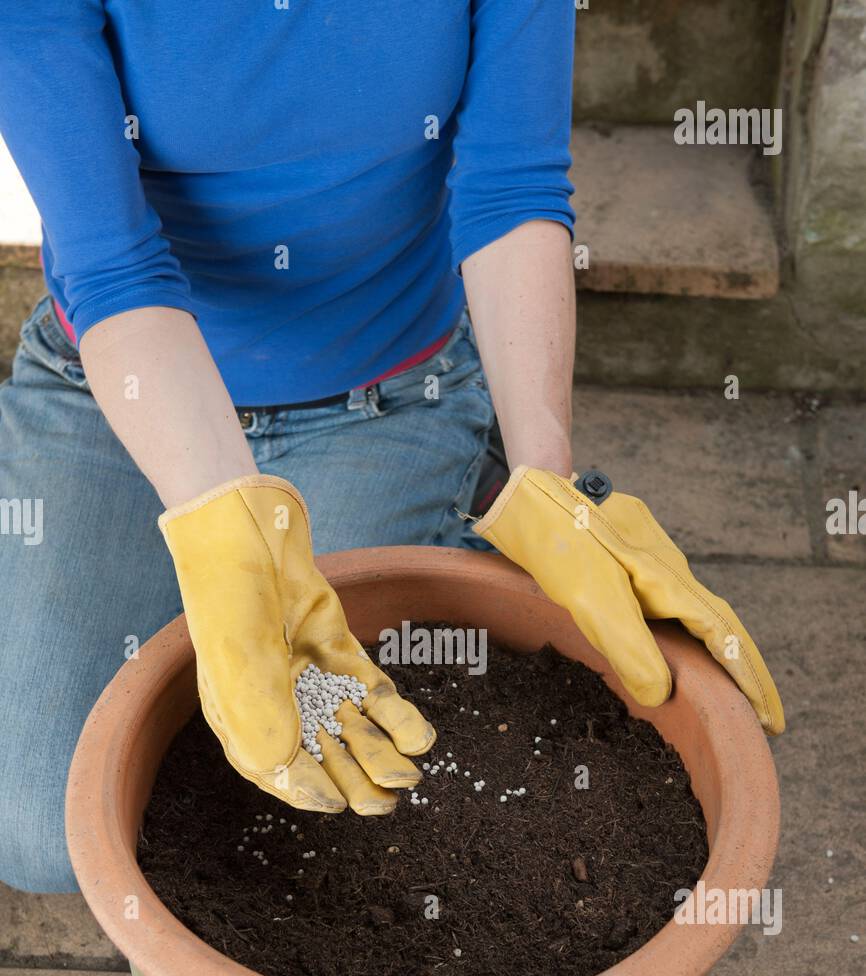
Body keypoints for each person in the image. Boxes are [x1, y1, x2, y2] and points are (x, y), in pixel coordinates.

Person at [0, 2, 783, 895]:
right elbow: (112, 264)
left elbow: (512, 189)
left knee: (320, 812)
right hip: (115, 390)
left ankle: (480, 484)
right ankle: (430, 514)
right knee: (40, 828)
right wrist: (231, 529)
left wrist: (547, 477)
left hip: (388, 398)